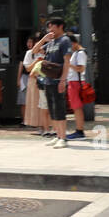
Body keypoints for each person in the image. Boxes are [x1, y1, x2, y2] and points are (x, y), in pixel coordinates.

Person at [33, 18, 73, 148]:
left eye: (52, 27)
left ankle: (63, 138)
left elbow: (67, 62)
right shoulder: (50, 42)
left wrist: (63, 80)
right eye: (49, 27)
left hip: (58, 80)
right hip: (48, 80)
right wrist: (43, 39)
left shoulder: (65, 40)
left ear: (60, 26)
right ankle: (57, 135)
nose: (50, 30)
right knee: (52, 110)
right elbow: (34, 50)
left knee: (60, 109)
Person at [21, 35, 45, 133]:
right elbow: (27, 68)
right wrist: (37, 60)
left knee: (44, 104)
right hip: (34, 81)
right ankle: (40, 126)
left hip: (45, 79)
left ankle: (46, 126)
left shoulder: (46, 51)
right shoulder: (29, 53)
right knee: (35, 104)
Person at [66, 36, 88, 141]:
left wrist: (69, 65)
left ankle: (80, 131)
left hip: (76, 83)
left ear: (74, 43)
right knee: (76, 108)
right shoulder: (76, 53)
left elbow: (81, 68)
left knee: (77, 108)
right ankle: (79, 130)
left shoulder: (80, 53)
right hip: (73, 82)